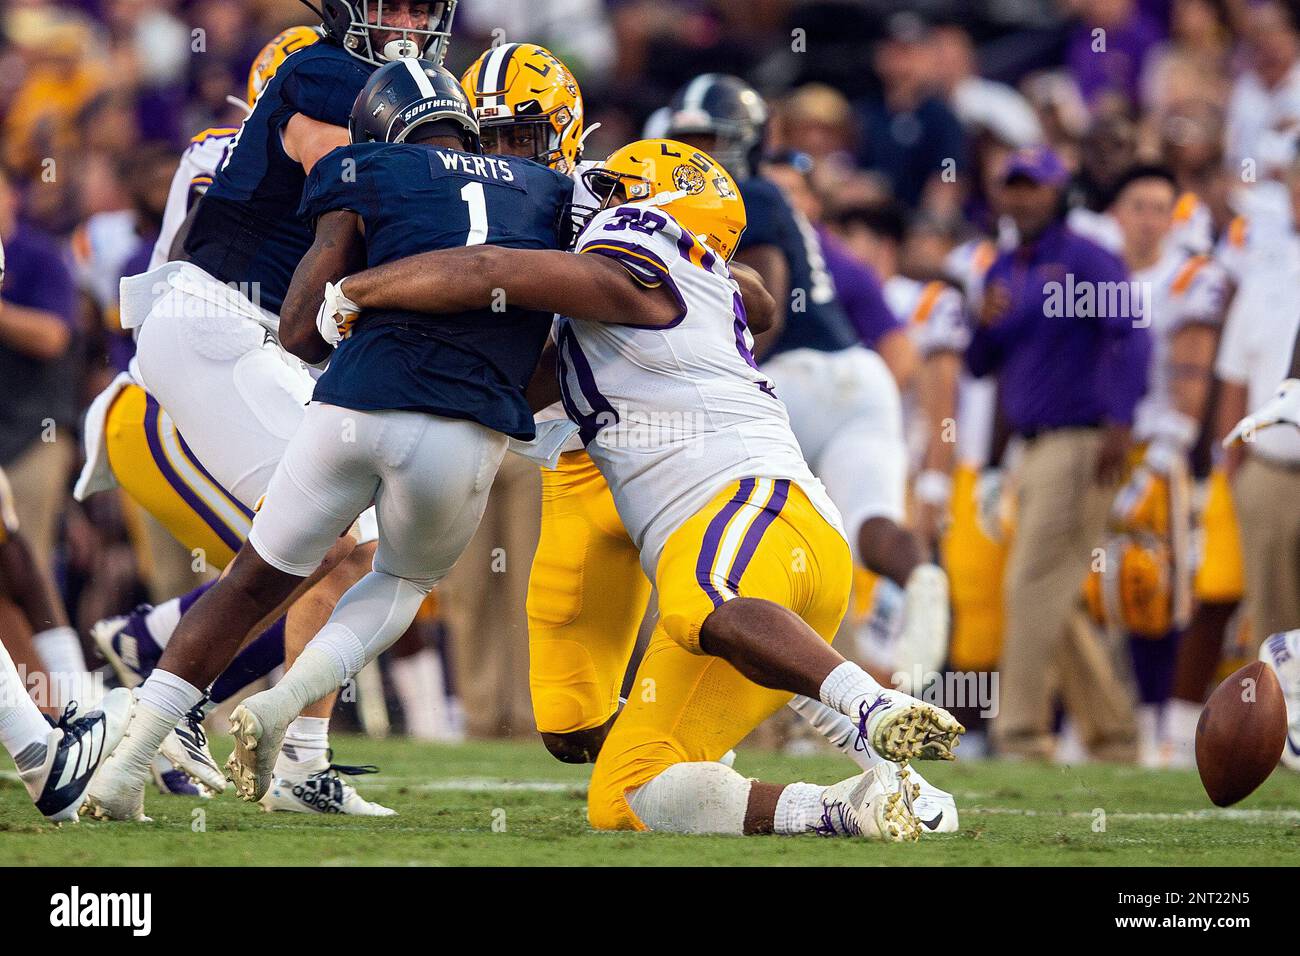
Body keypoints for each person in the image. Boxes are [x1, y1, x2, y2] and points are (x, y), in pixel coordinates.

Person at [318, 138, 966, 839]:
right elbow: (506, 377)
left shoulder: (647, 258)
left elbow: (488, 267)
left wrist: (359, 289)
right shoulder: (652, 296)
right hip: (759, 536)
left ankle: (871, 705)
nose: (593, 200)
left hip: (754, 504)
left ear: (653, 206)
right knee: (626, 795)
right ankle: (855, 806)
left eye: (614, 189)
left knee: (701, 603)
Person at [85, 58, 573, 822]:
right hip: (457, 426)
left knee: (256, 574)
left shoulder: (358, 170)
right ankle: (282, 707)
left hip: (348, 403)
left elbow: (297, 327)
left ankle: (130, 763)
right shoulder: (553, 194)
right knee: (398, 579)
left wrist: (355, 305)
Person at [660, 74, 952, 687]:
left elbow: (767, 292)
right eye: (688, 138)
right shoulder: (777, 200)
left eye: (707, 139)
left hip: (789, 374)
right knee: (870, 526)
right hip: (857, 373)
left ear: (743, 140)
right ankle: (922, 581)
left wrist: (733, 371)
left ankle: (771, 694)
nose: (696, 153)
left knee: (725, 538)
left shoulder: (750, 195)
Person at [966, 145, 1151, 761]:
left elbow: (1131, 334)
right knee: (1051, 591)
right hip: (1032, 447)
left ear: (1058, 192)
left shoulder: (1087, 258)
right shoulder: (1005, 267)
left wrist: (1121, 420)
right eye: (1012, 186)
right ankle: (1115, 734)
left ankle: (1019, 734)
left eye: (1033, 187)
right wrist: (984, 323)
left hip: (1081, 440)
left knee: (1031, 584)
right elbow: (980, 365)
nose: (1021, 198)